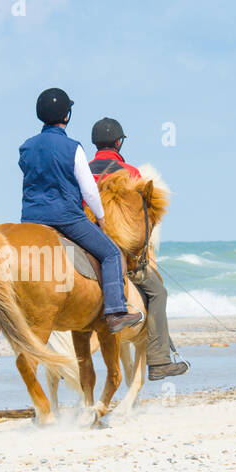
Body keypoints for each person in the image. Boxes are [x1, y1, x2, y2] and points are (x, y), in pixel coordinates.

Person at [19, 88, 142, 333]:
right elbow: (88, 190)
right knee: (111, 253)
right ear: (66, 116)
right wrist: (101, 217)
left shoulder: (26, 147)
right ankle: (116, 311)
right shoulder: (72, 147)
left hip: (30, 219)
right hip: (65, 218)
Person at [88, 117, 188, 380]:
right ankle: (159, 361)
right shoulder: (131, 173)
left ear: (95, 144)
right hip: (120, 255)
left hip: (86, 246)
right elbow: (139, 220)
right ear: (119, 143)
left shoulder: (84, 171)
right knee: (158, 293)